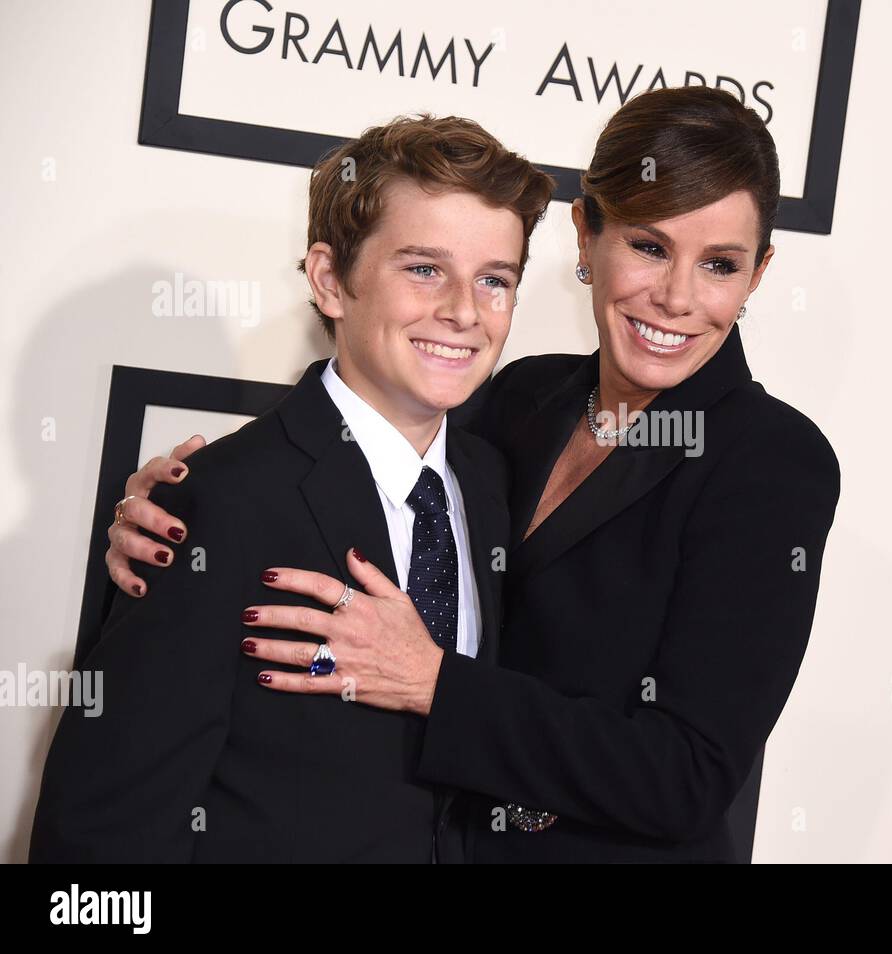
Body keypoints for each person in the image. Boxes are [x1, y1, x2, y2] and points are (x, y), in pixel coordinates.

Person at [101, 86, 840, 862]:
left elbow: (686, 777)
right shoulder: (523, 399)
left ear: (756, 275)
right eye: (650, 247)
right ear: (586, 238)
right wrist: (183, 507)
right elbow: (356, 460)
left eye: (720, 264)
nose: (678, 298)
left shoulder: (771, 462)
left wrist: (433, 683)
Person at [29, 115, 555, 862]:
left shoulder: (498, 484)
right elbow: (96, 837)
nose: (465, 311)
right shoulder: (217, 503)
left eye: (494, 280)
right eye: (424, 269)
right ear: (331, 279)